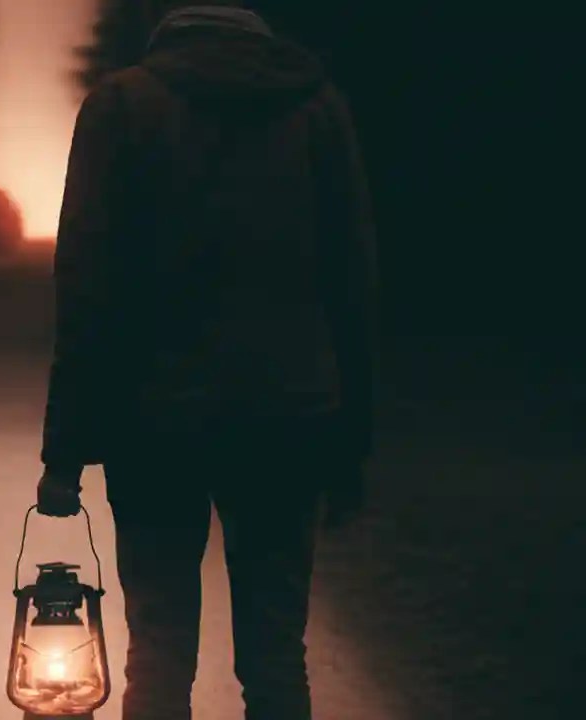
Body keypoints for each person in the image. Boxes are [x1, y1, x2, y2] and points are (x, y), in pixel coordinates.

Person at [36, 2, 377, 719]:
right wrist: (351, 443)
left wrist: (66, 453)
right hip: (291, 415)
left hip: (154, 422)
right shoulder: (318, 108)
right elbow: (353, 283)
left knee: (157, 649)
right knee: (278, 651)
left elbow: (87, 287)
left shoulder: (123, 105)